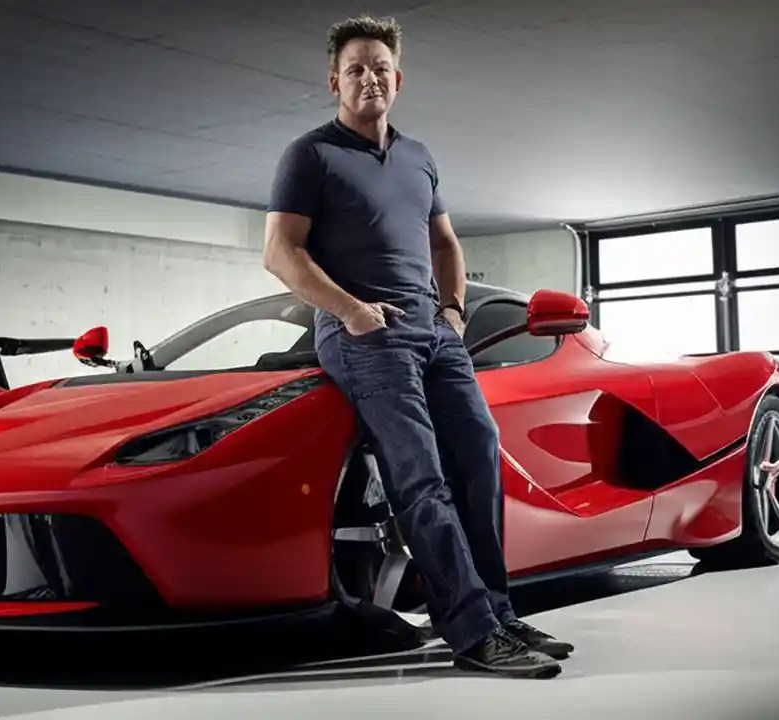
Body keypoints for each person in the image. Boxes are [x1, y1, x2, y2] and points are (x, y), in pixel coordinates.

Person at [262, 15, 573, 678]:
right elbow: (278, 253)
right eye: (354, 69)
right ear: (334, 82)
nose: (368, 78)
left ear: (397, 79)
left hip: (433, 335)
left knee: (480, 455)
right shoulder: (310, 155)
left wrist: (453, 313)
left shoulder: (418, 156)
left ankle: (497, 613)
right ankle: (471, 634)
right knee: (422, 479)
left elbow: (445, 244)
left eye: (379, 67)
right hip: (363, 339)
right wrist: (350, 310)